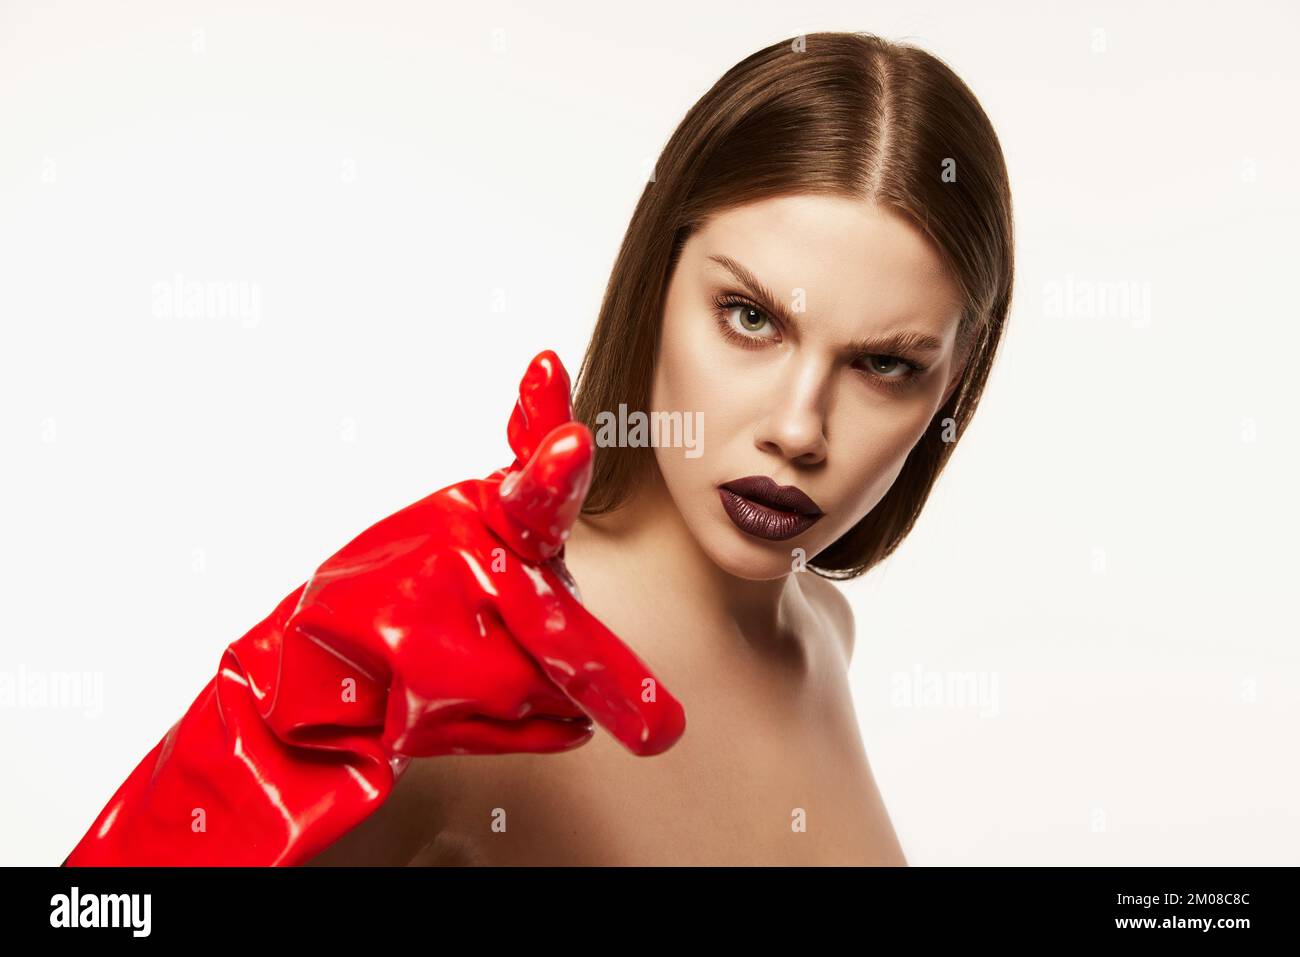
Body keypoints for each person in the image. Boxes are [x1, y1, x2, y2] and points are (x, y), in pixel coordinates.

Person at [67, 30, 1015, 867]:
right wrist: (262, 737)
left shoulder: (823, 629)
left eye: (885, 364)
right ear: (658, 276)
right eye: (749, 316)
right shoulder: (468, 671)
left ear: (955, 380)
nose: (799, 428)